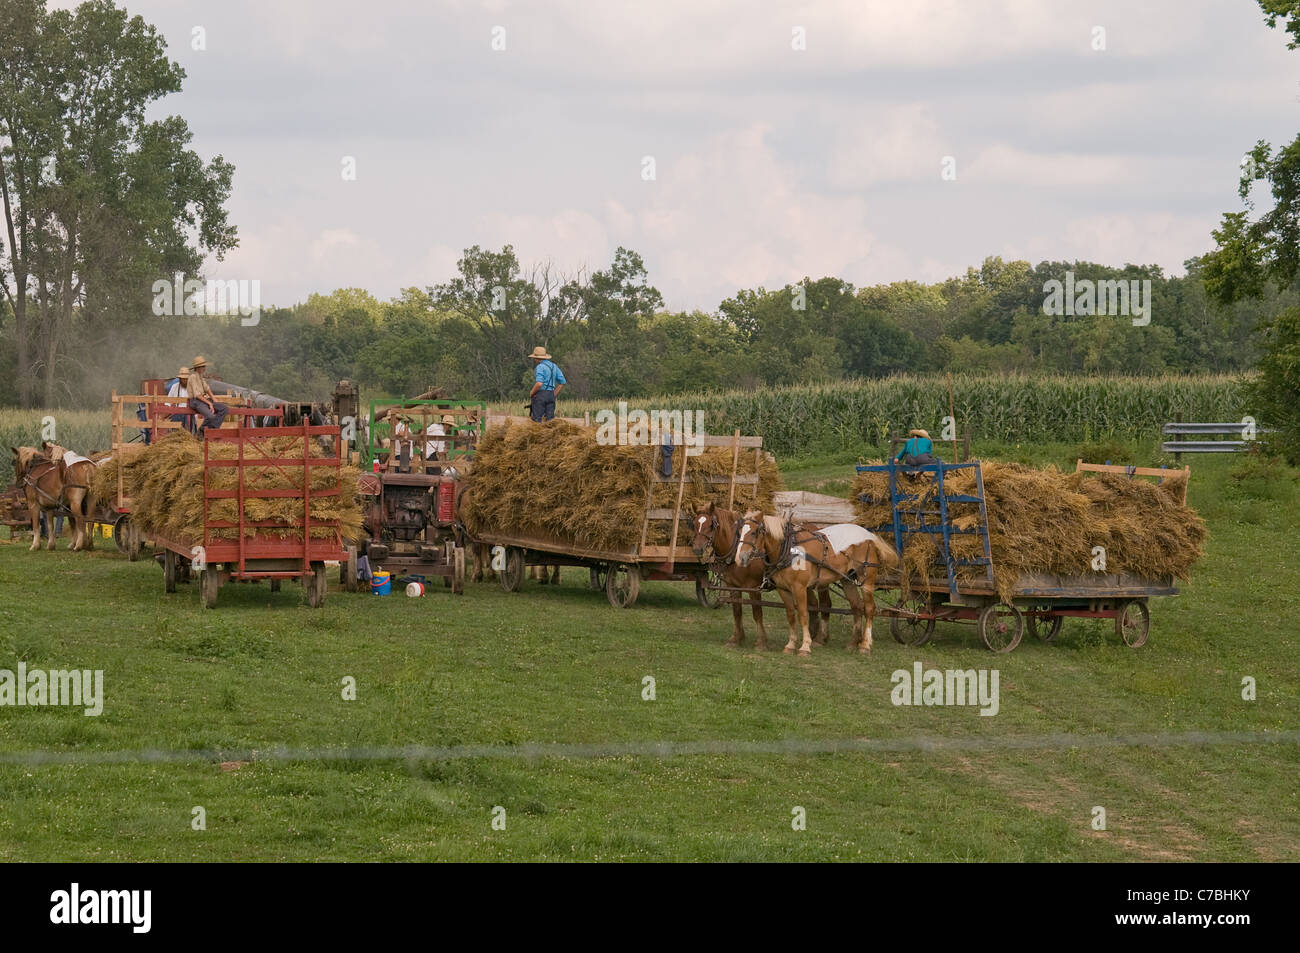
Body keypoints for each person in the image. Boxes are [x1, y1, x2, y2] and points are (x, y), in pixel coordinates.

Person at [186, 356, 228, 434]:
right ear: (198, 367)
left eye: (204, 366)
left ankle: (213, 429)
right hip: (196, 401)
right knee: (210, 416)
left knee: (224, 408)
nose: (204, 368)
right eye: (203, 366)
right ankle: (201, 431)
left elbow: (207, 388)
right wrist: (210, 403)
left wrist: (214, 399)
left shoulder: (200, 377)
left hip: (203, 400)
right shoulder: (193, 377)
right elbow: (197, 395)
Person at [528, 346, 565, 422]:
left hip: (541, 396)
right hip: (551, 396)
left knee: (537, 421)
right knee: (550, 422)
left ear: (536, 358)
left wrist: (531, 392)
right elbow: (562, 382)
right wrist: (553, 394)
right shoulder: (554, 366)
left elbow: (539, 384)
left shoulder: (540, 367)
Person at [167, 366, 193, 434]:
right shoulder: (174, 387)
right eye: (183, 379)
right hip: (177, 414)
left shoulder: (192, 388)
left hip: (189, 414)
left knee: (188, 434)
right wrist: (168, 410)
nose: (184, 381)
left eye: (186, 379)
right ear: (180, 379)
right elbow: (167, 402)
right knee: (175, 434)